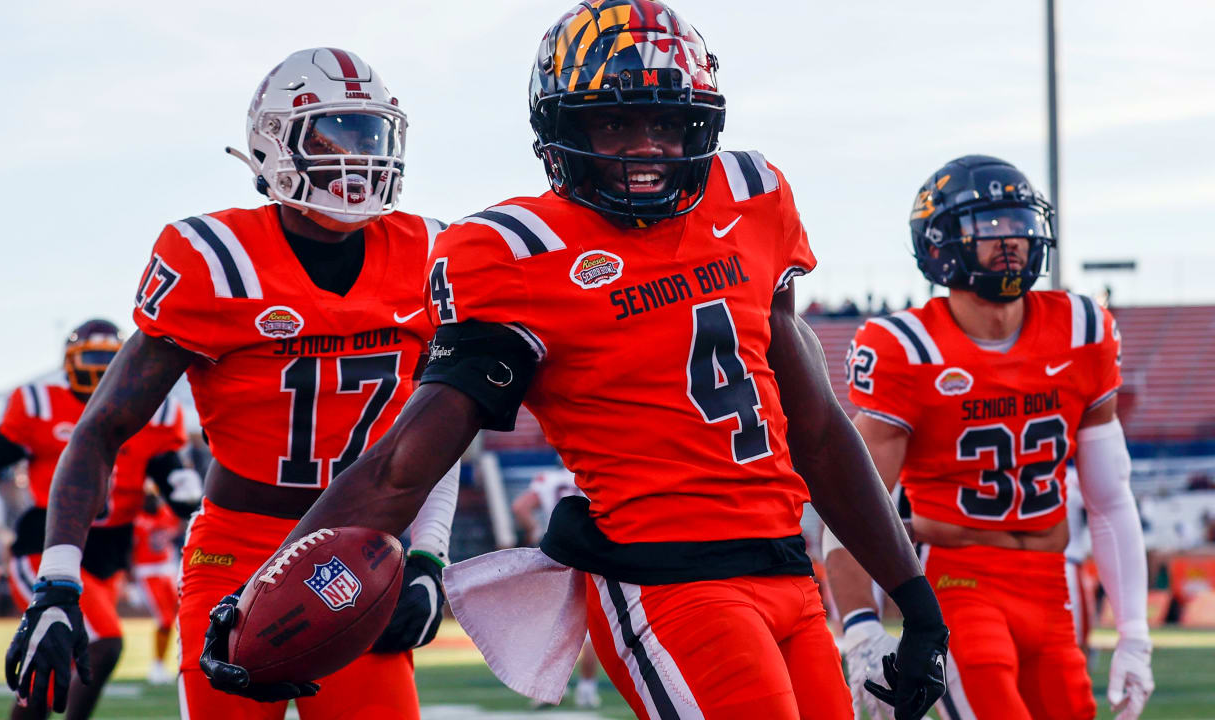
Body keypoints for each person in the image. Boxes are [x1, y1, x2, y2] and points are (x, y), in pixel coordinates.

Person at [209, 4, 949, 718]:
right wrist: (257, 594)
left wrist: (914, 599)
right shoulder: (516, 252)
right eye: (614, 121)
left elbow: (816, 427)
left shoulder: (750, 197)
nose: (647, 147)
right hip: (665, 585)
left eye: (667, 121)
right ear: (560, 128)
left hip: (788, 571)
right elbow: (405, 462)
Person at [0, 48, 460, 719]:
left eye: (372, 136)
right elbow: (101, 430)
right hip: (237, 548)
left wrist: (427, 555)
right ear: (274, 144)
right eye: (334, 137)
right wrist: (58, 583)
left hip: (357, 552)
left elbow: (436, 424)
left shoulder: (429, 251)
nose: (359, 159)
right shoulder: (215, 260)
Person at [823, 155, 1154, 720]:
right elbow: (853, 503)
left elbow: (1111, 497)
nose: (1014, 239)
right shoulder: (906, 346)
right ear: (940, 241)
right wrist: (860, 632)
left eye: (1020, 222)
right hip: (957, 581)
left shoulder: (1081, 329)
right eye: (990, 225)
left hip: (1052, 587)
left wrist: (1134, 634)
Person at [0, 321, 188, 720]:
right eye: (90, 359)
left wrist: (185, 491)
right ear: (68, 364)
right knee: (106, 641)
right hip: (50, 542)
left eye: (107, 360)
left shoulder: (157, 409)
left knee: (55, 662)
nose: (98, 371)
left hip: (111, 553)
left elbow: (168, 473)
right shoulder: (39, 405)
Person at [511, 467, 601, 708]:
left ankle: (545, 690)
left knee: (554, 624)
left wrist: (534, 530)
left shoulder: (548, 479)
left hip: (558, 553)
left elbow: (520, 507)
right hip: (593, 552)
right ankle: (587, 688)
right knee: (592, 626)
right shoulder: (595, 473)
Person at [130, 484, 188, 685]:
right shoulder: (137, 519)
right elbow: (129, 550)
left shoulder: (166, 513)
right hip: (147, 572)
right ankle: (157, 665)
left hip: (167, 569)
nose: (152, 501)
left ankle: (176, 660)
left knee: (181, 615)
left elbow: (181, 524)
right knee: (164, 619)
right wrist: (130, 582)